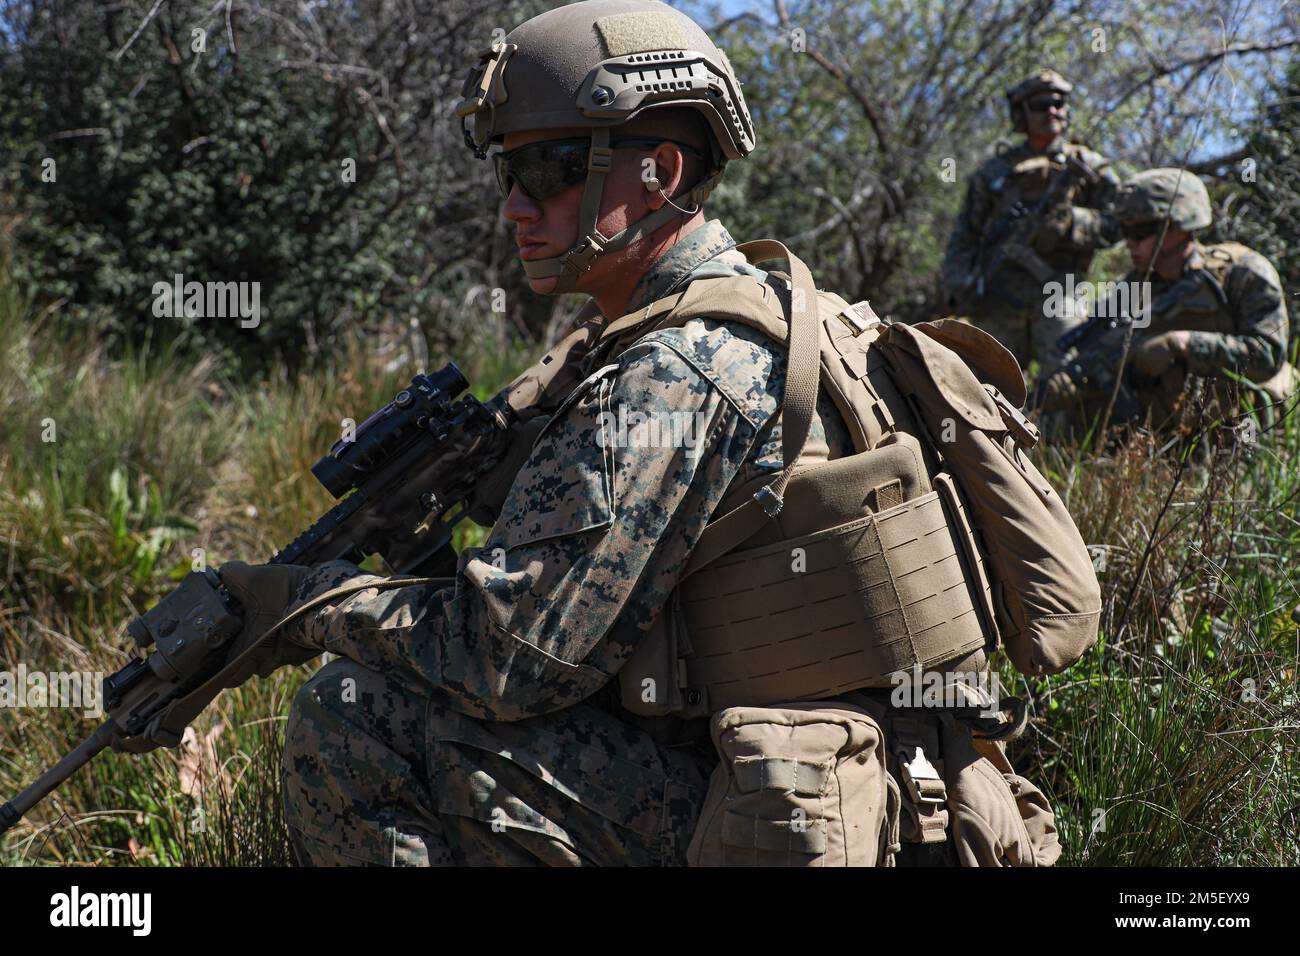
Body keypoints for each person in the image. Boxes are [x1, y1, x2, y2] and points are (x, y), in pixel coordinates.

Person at [217, 0, 1069, 867]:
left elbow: (507, 660)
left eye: (546, 169)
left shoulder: (677, 371)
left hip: (814, 818)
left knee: (356, 716)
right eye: (506, 174)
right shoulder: (801, 315)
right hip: (906, 792)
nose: (515, 207)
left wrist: (306, 603)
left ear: (660, 170)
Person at [1035, 167, 1293, 433]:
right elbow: (1103, 353)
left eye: (1140, 232)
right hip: (1168, 435)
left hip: (1242, 433)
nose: (1129, 244)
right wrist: (1072, 384)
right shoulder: (1132, 287)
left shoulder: (1242, 273)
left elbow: (1267, 356)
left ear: (1179, 226)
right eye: (1125, 231)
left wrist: (1183, 344)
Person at [941, 69, 1120, 371]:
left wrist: (1073, 223)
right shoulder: (994, 172)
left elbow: (1122, 221)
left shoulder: (1089, 166)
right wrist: (960, 286)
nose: (1051, 111)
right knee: (988, 387)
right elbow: (965, 236)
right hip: (999, 298)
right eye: (1040, 105)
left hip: (1059, 292)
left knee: (1068, 378)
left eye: (1058, 103)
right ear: (1022, 113)